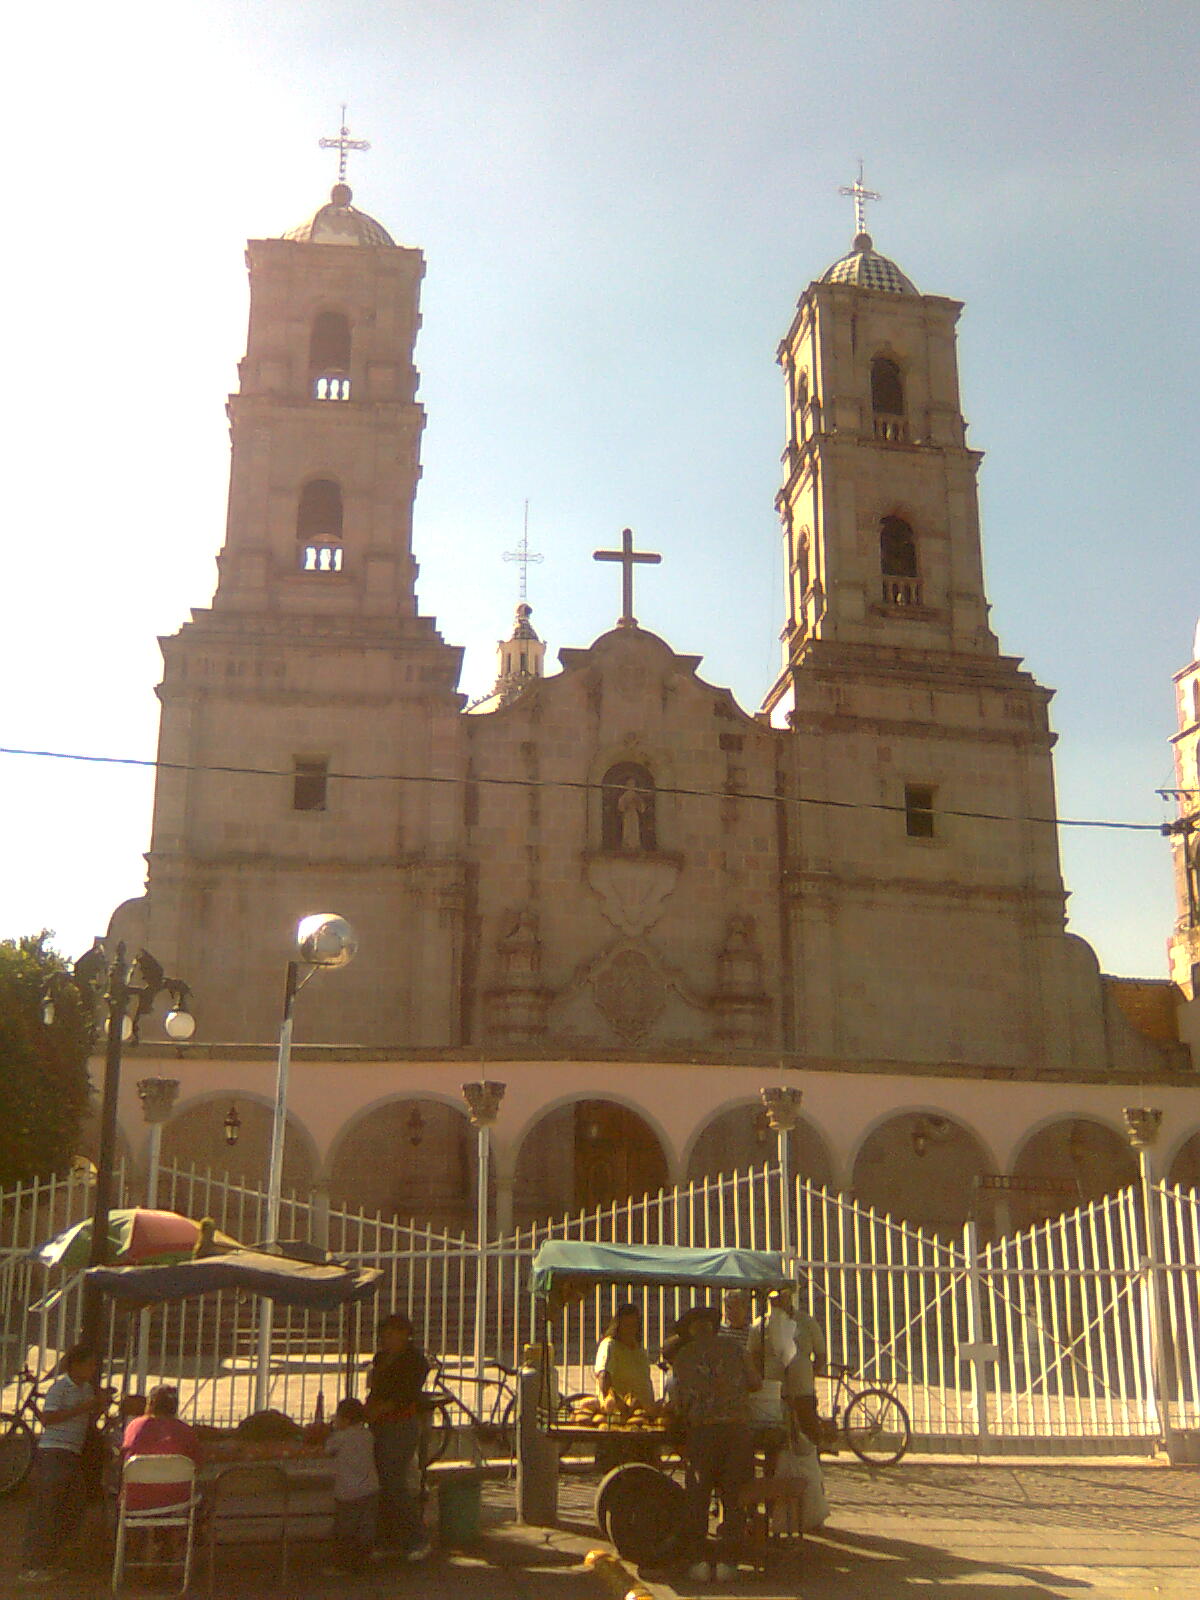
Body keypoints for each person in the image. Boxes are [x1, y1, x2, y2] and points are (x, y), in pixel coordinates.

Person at [666, 1304, 760, 1571]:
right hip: (737, 1432)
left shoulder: (683, 1358)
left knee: (698, 1496)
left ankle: (698, 1560)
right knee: (733, 1496)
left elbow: (678, 1404)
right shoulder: (735, 1349)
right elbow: (756, 1383)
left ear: (690, 1332)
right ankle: (730, 1561)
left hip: (703, 1434)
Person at [19, 1342, 110, 1585]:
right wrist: (84, 1407)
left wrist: (99, 1405)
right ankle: (33, 1563)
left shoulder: (87, 1390)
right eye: (88, 1365)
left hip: (73, 1452)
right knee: (47, 1507)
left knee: (73, 1505)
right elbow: (49, 1418)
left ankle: (52, 1557)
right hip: (54, 1451)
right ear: (76, 1365)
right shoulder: (61, 1388)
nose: (92, 1370)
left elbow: (88, 1419)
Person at [365, 1313, 431, 1559]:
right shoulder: (381, 1358)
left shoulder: (415, 1361)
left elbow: (407, 1393)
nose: (387, 1338)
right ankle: (388, 1538)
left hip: (401, 1424)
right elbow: (374, 1388)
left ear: (405, 1334)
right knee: (381, 1482)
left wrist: (384, 1407)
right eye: (384, 1334)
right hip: (378, 1424)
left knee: (394, 1481)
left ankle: (417, 1537)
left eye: (393, 1333)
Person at [120, 1385, 204, 1510]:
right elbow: (198, 1465)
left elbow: (124, 1458)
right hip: (177, 1501)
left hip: (136, 1500)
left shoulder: (134, 1426)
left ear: (150, 1403)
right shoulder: (185, 1431)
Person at [325, 1397, 379, 1573]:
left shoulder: (340, 1438)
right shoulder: (368, 1435)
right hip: (370, 1488)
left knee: (345, 1530)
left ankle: (344, 1564)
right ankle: (364, 1560)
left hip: (348, 1492)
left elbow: (327, 1450)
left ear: (345, 1420)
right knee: (365, 1528)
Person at [594, 1303, 656, 1413]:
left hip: (644, 1413)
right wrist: (618, 1404)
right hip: (621, 1414)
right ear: (618, 1325)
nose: (631, 1329)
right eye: (626, 1325)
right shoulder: (609, 1345)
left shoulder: (639, 1349)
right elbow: (603, 1377)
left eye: (634, 1325)